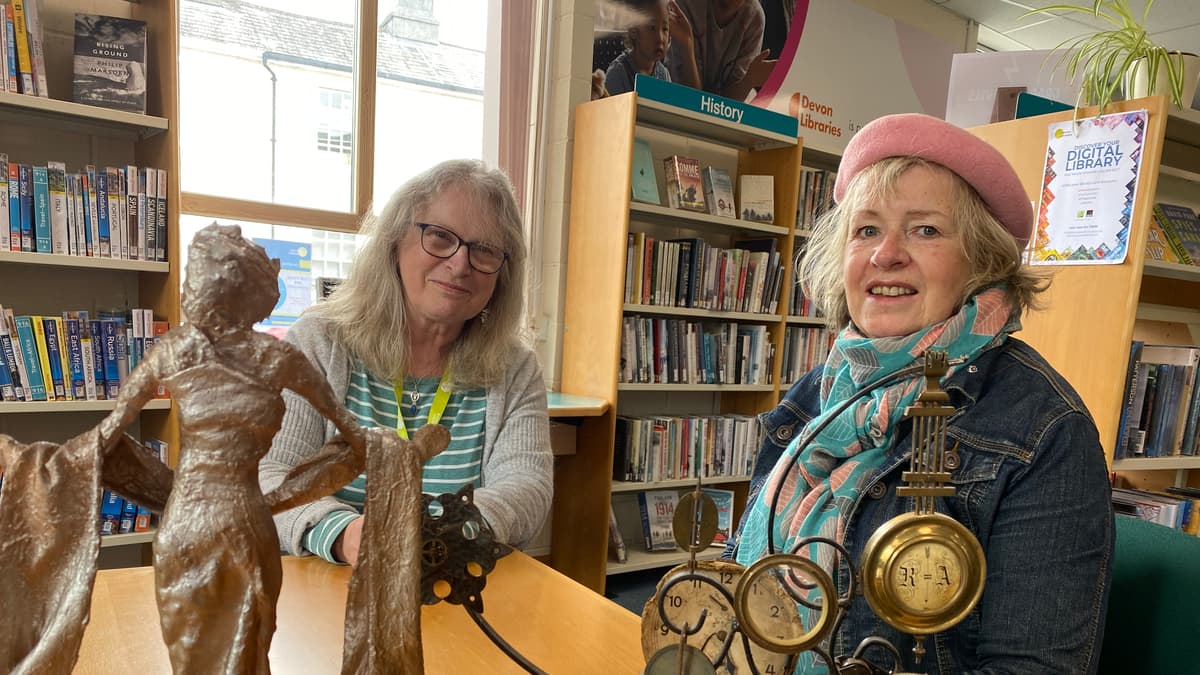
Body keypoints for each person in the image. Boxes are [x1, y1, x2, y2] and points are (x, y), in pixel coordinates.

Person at [727, 113, 1113, 673]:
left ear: (981, 261)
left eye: (924, 229)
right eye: (866, 230)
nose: (886, 254)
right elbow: (740, 579)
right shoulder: (821, 390)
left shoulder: (1046, 431)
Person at [95, 223, 369, 673]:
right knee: (247, 647)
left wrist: (40, 462)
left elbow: (104, 437)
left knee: (195, 647)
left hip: (188, 521)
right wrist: (397, 453)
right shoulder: (275, 358)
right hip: (243, 520)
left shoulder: (176, 350)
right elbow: (356, 435)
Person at [260, 159, 553, 567]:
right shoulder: (318, 343)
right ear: (396, 241)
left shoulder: (516, 369)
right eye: (439, 237)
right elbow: (270, 475)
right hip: (330, 593)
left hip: (457, 587)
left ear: (502, 273)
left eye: (483, 250)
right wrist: (343, 535)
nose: (459, 263)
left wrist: (432, 531)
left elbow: (528, 489)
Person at [665, 0, 774, 101]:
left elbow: (731, 106)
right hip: (678, 98)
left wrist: (749, 81)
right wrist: (687, 46)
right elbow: (689, 97)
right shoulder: (688, 4)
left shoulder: (754, 17)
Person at [603, 0, 696, 96]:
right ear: (633, 30)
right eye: (652, 28)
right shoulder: (618, 73)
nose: (660, 38)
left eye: (665, 29)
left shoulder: (664, 74)